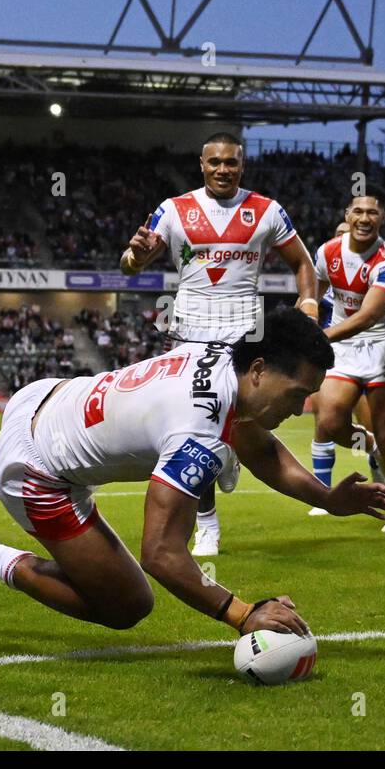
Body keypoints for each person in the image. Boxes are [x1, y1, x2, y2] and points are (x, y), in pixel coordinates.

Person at [0, 309, 385, 638]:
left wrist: (327, 496)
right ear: (258, 371)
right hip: (42, 475)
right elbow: (161, 553)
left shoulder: (226, 354)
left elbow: (261, 449)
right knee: (129, 605)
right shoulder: (199, 428)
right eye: (297, 394)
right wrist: (241, 612)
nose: (301, 409)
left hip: (49, 400)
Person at [119, 131, 318, 557]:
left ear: (241, 165)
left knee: (232, 422)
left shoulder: (266, 210)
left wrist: (309, 303)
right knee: (196, 428)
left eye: (231, 163)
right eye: (215, 162)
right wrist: (136, 255)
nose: (223, 170)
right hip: (188, 332)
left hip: (243, 335)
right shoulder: (173, 210)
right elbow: (130, 266)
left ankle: (229, 454)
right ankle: (207, 520)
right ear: (202, 164)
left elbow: (303, 262)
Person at [307, 187, 385, 532]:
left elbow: (367, 317)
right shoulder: (327, 252)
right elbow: (313, 292)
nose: (364, 218)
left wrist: (318, 336)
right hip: (343, 349)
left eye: (372, 213)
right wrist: (304, 316)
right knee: (331, 421)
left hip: (379, 348)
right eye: (358, 211)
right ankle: (369, 446)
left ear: (382, 219)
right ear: (347, 215)